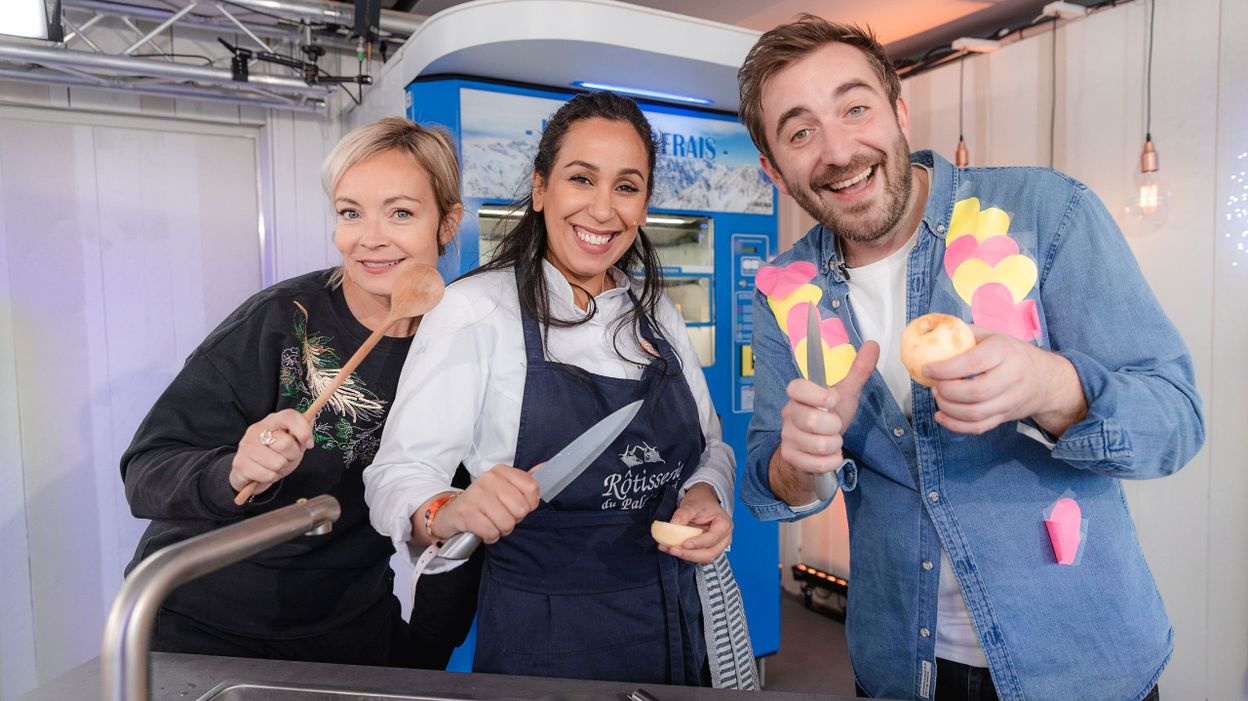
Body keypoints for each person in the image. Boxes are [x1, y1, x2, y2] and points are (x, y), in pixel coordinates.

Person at [736, 16, 1203, 701]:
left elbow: (1177, 421)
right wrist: (796, 463)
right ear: (774, 170)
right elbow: (766, 482)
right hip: (900, 671)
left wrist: (1052, 386)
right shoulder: (784, 290)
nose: (838, 150)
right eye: (800, 132)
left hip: (1080, 667)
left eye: (855, 108)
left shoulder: (1046, 213)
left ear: (899, 113)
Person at [363, 92, 740, 687]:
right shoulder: (475, 309)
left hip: (675, 624)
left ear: (643, 206)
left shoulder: (658, 315)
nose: (602, 208)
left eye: (626, 186)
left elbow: (711, 445)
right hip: (547, 644)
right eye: (581, 178)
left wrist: (706, 494)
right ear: (541, 189)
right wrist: (448, 510)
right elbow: (397, 474)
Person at [120, 116, 477, 668]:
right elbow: (146, 472)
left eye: (401, 213)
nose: (370, 237)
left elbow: (459, 515)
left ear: (447, 222)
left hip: (347, 631)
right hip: (201, 623)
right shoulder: (280, 320)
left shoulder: (462, 346)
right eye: (350, 212)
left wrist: (427, 650)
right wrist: (233, 470)